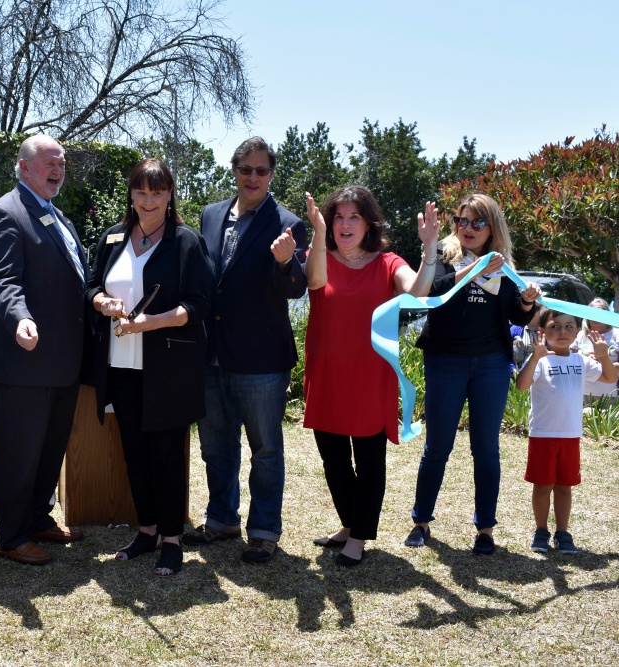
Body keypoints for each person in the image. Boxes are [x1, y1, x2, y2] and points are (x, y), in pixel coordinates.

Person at [87, 158, 215, 576]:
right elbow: (91, 284)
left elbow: (200, 304)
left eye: (157, 192)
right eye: (141, 191)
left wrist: (153, 322)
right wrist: (101, 302)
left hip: (168, 368)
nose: (148, 201)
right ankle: (147, 531)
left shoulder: (186, 241)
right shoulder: (112, 238)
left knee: (166, 455)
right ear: (131, 193)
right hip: (120, 365)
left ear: (169, 195)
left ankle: (173, 539)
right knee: (135, 454)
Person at [302, 186, 440, 566]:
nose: (345, 225)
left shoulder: (388, 263)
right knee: (333, 458)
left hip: (370, 378)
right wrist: (316, 234)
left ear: (368, 223)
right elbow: (314, 283)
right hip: (327, 375)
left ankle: (359, 535)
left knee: (368, 460)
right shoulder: (320, 257)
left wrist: (429, 249)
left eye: (354, 217)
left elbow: (417, 292)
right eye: (338, 218)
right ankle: (350, 523)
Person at [185, 136, 307, 564]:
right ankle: (221, 519)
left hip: (261, 359)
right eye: (245, 168)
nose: (253, 177)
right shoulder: (211, 214)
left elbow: (295, 290)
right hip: (211, 353)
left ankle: (264, 530)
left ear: (271, 174)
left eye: (261, 170)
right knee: (215, 445)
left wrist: (286, 261)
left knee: (266, 449)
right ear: (233, 170)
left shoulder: (288, 224)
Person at [405, 193, 541, 555]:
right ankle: (421, 522)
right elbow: (432, 292)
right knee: (438, 447)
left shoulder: (503, 265)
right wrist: (475, 269)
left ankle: (485, 528)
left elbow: (517, 314)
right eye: (461, 221)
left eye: (477, 222)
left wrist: (527, 300)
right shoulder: (445, 255)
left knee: (486, 449)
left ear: (491, 227)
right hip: (446, 361)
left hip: (492, 364)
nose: (467, 228)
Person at [0, 135, 88, 566]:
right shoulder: (5, 214)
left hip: (59, 363)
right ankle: (11, 536)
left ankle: (39, 519)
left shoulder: (57, 216)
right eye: (49, 163)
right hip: (19, 363)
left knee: (48, 450)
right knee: (18, 453)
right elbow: (1, 281)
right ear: (24, 168)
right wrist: (19, 316)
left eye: (61, 163)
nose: (58, 169)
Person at [515, 308, 617, 554]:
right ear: (542, 332)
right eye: (555, 326)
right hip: (543, 436)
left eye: (569, 326)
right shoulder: (541, 361)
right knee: (542, 485)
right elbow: (521, 385)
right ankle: (541, 531)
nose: (562, 331)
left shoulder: (580, 360)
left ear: (577, 331)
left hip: (570, 436)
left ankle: (562, 532)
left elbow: (610, 378)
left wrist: (604, 357)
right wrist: (535, 357)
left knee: (564, 486)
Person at [573, 298, 618, 404]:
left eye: (601, 311)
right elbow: (571, 361)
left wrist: (602, 360)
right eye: (592, 312)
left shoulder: (616, 334)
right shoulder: (580, 335)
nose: (596, 315)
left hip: (609, 396)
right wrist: (587, 361)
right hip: (581, 394)